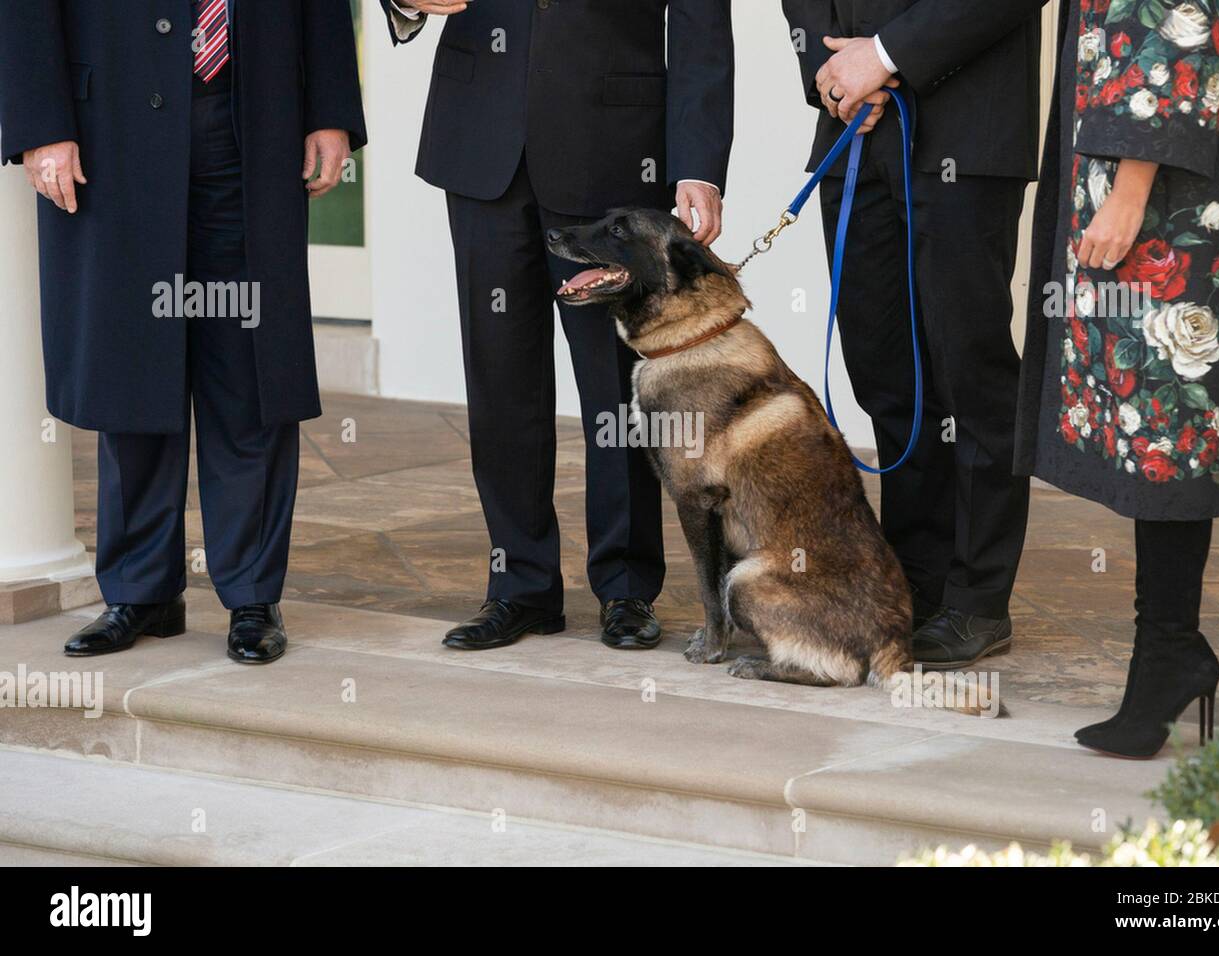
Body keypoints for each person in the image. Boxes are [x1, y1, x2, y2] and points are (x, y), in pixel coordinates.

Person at [0, 1, 366, 664]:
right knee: (131, 362)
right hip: (107, 124)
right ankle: (140, 592)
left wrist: (332, 110)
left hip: (256, 120)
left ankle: (253, 595)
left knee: (251, 369)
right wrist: (40, 124)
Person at [381, 0, 735, 651]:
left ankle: (626, 586)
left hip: (616, 149)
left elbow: (700, 20)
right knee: (501, 379)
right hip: (482, 140)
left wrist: (698, 165)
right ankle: (519, 584)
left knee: (616, 388)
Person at [1016, 0, 1219, 758]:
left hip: (1173, 186)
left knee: (1169, 422)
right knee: (1170, 428)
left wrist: (1130, 187)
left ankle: (1168, 653)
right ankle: (1169, 651)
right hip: (1184, 166)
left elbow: (1183, 19)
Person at [782, 0, 1046, 668]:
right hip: (853, 136)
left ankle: (977, 596)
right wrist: (837, 71)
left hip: (966, 127)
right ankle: (915, 582)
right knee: (882, 368)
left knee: (968, 368)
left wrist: (888, 55)